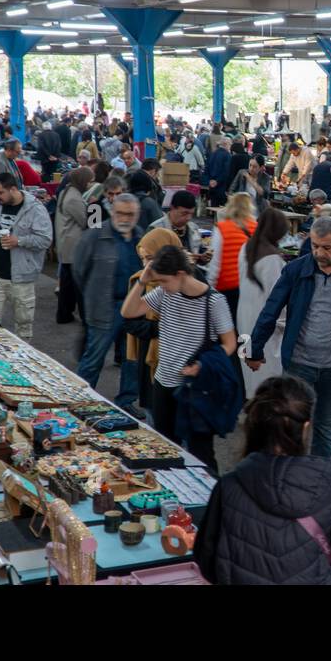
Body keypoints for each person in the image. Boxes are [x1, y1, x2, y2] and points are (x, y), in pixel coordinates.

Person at [193, 375, 331, 584]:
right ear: (305, 427)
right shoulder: (329, 487)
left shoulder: (228, 486)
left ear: (254, 424)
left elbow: (206, 559)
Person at [247, 216, 331, 460]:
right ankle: (288, 476)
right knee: (290, 425)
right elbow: (270, 310)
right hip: (298, 364)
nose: (319, 252)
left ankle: (318, 481)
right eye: (315, 245)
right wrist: (255, 350)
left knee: (325, 428)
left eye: (326, 247)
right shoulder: (296, 270)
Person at [121, 244, 236, 469]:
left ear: (180, 274)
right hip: (163, 383)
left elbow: (230, 343)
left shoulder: (214, 302)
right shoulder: (165, 293)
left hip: (196, 388)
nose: (160, 285)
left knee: (201, 453)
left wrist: (204, 364)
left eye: (164, 280)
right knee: (166, 449)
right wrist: (142, 282)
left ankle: (208, 498)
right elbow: (128, 312)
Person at [74, 193, 144, 407]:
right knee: (94, 357)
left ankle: (126, 401)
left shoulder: (141, 236)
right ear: (113, 212)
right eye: (121, 213)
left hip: (132, 308)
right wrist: (93, 296)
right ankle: (81, 400)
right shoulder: (95, 235)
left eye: (130, 214)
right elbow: (79, 271)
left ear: (137, 215)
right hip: (104, 307)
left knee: (132, 360)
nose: (125, 218)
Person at [0, 172, 53, 339]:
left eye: (0, 193)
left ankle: (22, 358)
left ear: (12, 189)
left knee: (23, 324)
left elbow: (45, 240)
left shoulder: (35, 209)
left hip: (22, 278)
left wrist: (18, 241)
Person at [124, 228, 180, 420]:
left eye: (149, 258)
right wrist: (163, 328)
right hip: (150, 359)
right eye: (142, 259)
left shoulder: (188, 281)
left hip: (181, 363)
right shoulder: (139, 282)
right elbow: (130, 323)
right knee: (155, 418)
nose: (145, 265)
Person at [237, 208, 289, 399]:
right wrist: (285, 325)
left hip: (244, 317)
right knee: (267, 379)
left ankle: (253, 407)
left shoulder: (246, 247)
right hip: (264, 326)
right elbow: (277, 300)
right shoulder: (272, 259)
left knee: (250, 376)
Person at [206, 192, 258, 320]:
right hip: (248, 286)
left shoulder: (222, 227)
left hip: (225, 286)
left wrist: (209, 287)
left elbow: (215, 262)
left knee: (223, 327)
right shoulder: (255, 227)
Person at [54, 166, 93, 324]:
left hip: (65, 245)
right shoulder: (74, 198)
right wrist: (94, 206)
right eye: (89, 181)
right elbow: (89, 223)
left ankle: (64, 314)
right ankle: (86, 317)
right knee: (80, 286)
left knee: (67, 285)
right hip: (74, 247)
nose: (91, 184)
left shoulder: (66, 192)